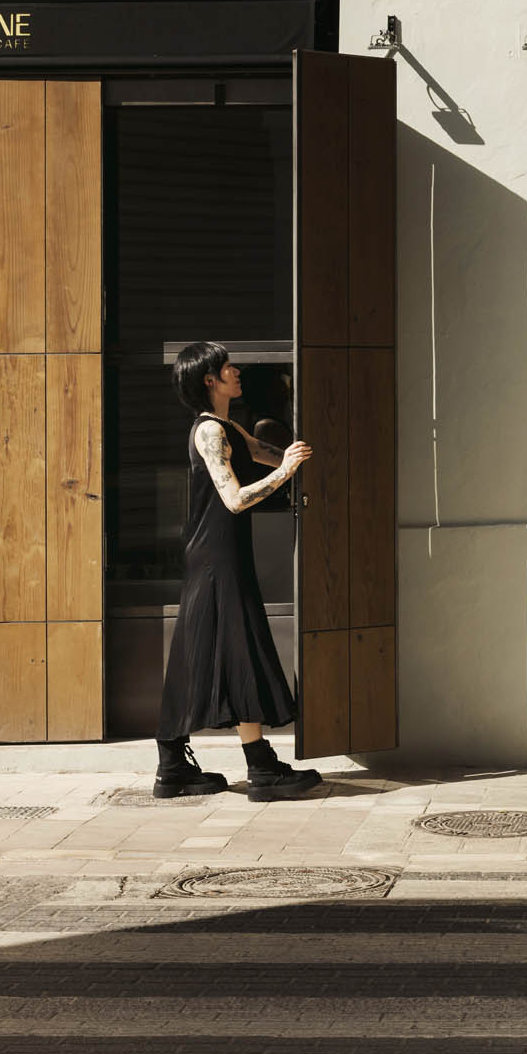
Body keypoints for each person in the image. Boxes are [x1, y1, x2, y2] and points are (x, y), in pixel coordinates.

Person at [153, 341, 324, 802]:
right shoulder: (209, 432)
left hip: (219, 555)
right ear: (210, 380)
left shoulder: (228, 427)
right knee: (238, 647)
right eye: (228, 367)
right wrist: (287, 472)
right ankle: (260, 767)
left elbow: (266, 453)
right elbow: (234, 498)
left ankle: (173, 766)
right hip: (217, 557)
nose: (237, 371)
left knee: (209, 651)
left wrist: (305, 455)